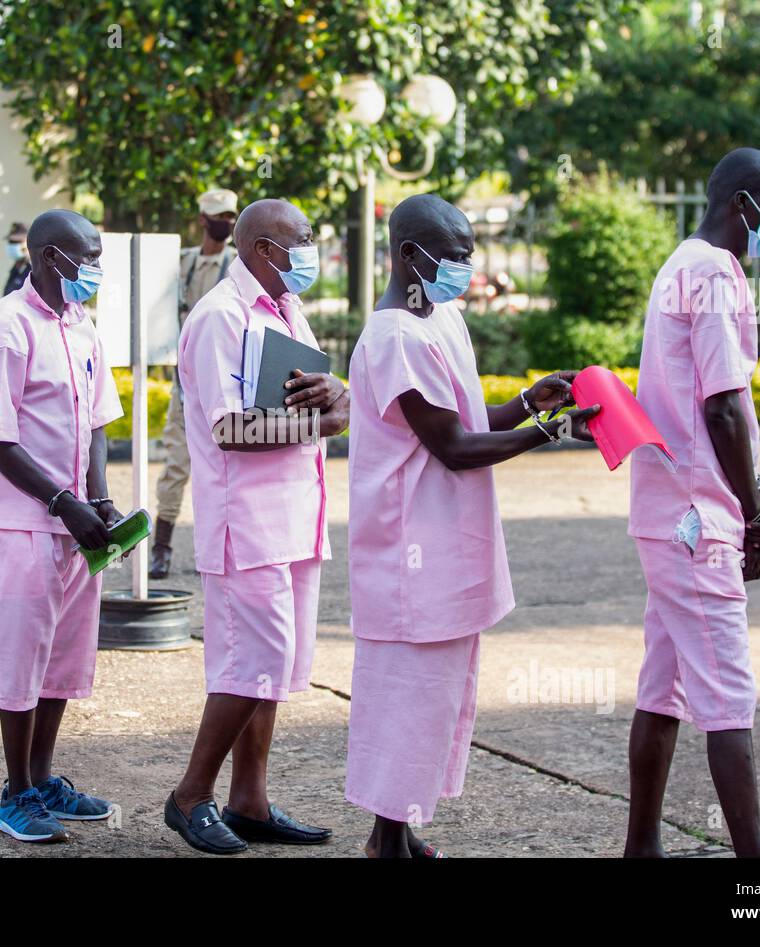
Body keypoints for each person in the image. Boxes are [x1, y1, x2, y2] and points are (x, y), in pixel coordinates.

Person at [343, 194, 599, 858]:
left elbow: (461, 414)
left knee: (430, 705)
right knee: (403, 702)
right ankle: (387, 842)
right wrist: (549, 432)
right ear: (408, 255)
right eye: (453, 254)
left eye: (468, 253)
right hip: (408, 552)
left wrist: (523, 404)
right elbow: (451, 444)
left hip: (445, 547)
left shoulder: (441, 316)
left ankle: (391, 833)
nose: (465, 266)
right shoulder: (393, 335)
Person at [163, 198, 349, 855]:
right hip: (246, 523)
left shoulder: (285, 310)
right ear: (263, 250)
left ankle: (250, 799)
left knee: (274, 670)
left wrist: (336, 393)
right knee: (251, 664)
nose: (310, 252)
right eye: (300, 242)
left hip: (295, 514)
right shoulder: (220, 318)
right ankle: (190, 794)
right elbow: (227, 427)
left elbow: (299, 398)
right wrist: (320, 423)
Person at [624, 147, 760, 858]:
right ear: (742, 205)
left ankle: (641, 848)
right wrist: (753, 506)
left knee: (665, 688)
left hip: (670, 514)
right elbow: (722, 407)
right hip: (698, 517)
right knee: (729, 695)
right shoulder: (716, 275)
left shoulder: (681, 264)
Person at [0, 208, 125, 842]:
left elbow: (100, 421)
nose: (97, 269)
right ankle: (15, 792)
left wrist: (98, 500)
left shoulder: (83, 327)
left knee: (63, 658)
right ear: (52, 258)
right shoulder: (5, 326)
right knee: (23, 658)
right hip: (22, 519)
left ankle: (44, 780)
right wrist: (61, 502)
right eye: (89, 256)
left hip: (77, 523)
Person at [150, 188, 238, 580]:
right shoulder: (181, 264)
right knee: (176, 465)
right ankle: (162, 547)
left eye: (233, 216)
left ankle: (224, 547)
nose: (228, 223)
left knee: (228, 467)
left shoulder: (238, 264)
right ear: (203, 219)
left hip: (227, 381)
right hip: (187, 383)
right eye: (221, 216)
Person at [2, 222, 30, 296]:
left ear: (29, 242)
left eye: (16, 242)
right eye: (11, 242)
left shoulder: (37, 270)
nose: (12, 245)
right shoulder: (16, 268)